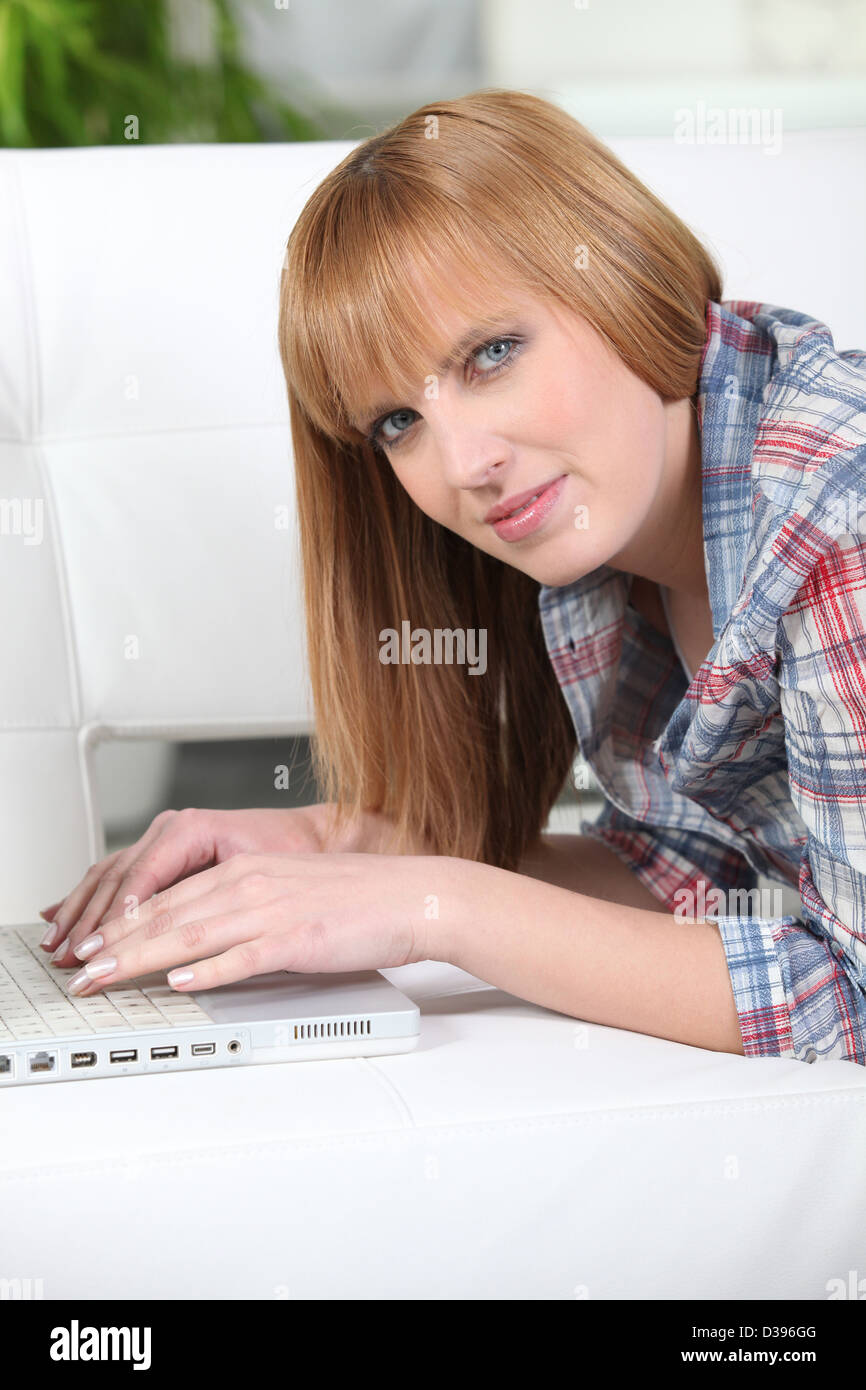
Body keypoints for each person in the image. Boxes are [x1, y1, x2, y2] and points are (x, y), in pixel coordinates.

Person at [39, 90, 866, 1064]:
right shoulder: (615, 543)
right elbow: (683, 875)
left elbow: (845, 995)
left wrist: (432, 905)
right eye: (398, 421)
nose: (463, 463)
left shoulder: (832, 504)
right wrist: (329, 845)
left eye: (492, 353)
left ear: (624, 274)